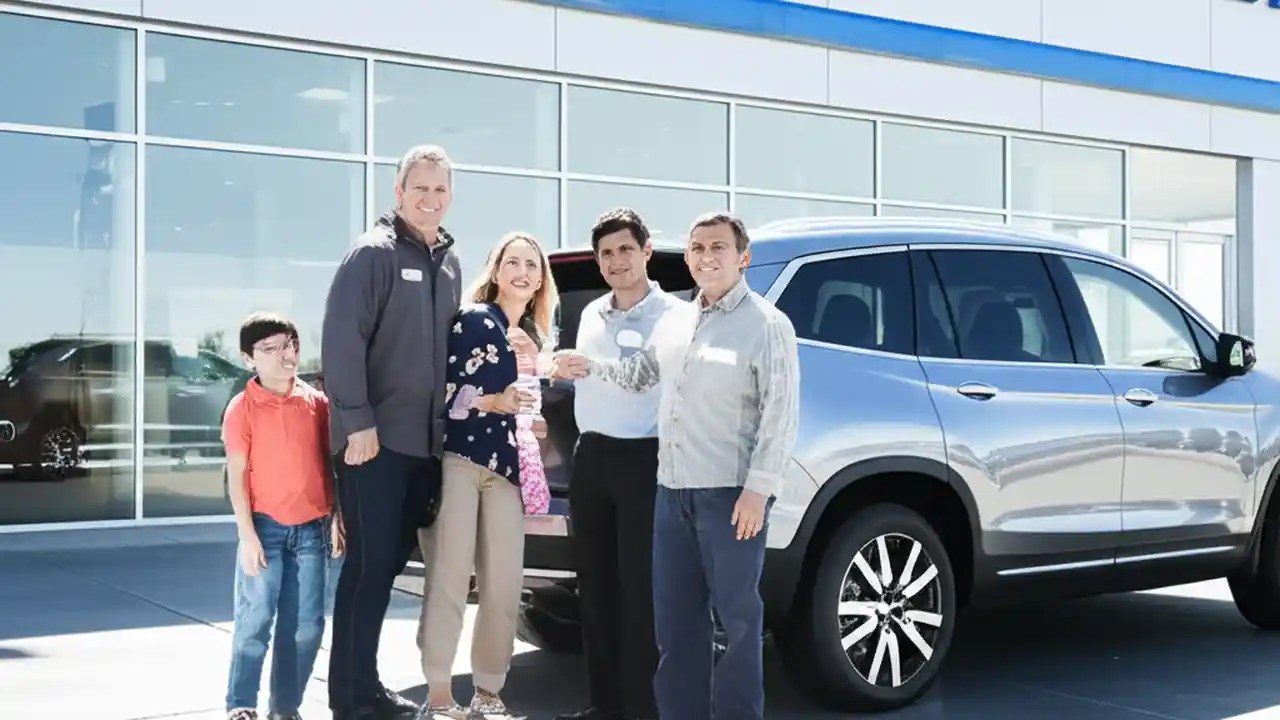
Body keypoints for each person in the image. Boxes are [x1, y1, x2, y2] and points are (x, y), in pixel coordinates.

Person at [555, 212, 801, 720]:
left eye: (718, 247)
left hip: (729, 498)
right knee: (676, 628)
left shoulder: (767, 325)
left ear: (742, 257)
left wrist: (759, 489)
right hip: (671, 494)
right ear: (686, 257)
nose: (707, 256)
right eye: (697, 248)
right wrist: (589, 366)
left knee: (736, 625)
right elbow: (640, 373)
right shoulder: (676, 318)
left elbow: (780, 413)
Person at [321, 145, 462, 720]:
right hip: (373, 445)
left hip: (422, 445)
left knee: (383, 569)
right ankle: (353, 699)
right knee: (368, 569)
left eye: (440, 190)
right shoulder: (372, 255)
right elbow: (341, 342)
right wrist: (357, 423)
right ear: (398, 192)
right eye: (420, 188)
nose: (430, 200)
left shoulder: (448, 263)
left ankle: (364, 688)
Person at [418, 231, 558, 720]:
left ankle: (488, 694)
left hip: (508, 471)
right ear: (496, 270)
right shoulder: (474, 320)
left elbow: (525, 405)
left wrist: (531, 421)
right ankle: (438, 697)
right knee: (450, 580)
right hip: (461, 461)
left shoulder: (535, 339)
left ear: (542, 280)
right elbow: (446, 394)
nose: (523, 272)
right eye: (513, 262)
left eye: (532, 265)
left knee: (503, 585)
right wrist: (491, 401)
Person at [553, 208, 683, 720]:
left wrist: (587, 366)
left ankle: (642, 708)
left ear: (646, 251)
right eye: (606, 253)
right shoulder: (590, 314)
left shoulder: (673, 315)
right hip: (593, 458)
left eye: (626, 249)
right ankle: (603, 705)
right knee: (597, 586)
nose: (616, 260)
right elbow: (580, 382)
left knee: (640, 590)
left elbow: (644, 376)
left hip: (644, 460)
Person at [222, 311, 346, 720]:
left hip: (312, 531)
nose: (285, 355)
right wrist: (247, 535)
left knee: (307, 626)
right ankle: (241, 704)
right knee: (255, 622)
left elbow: (330, 466)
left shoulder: (317, 404)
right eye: (271, 349)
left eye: (290, 345)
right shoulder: (242, 409)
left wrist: (336, 516)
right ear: (248, 359)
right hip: (265, 529)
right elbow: (237, 476)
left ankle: (285, 708)